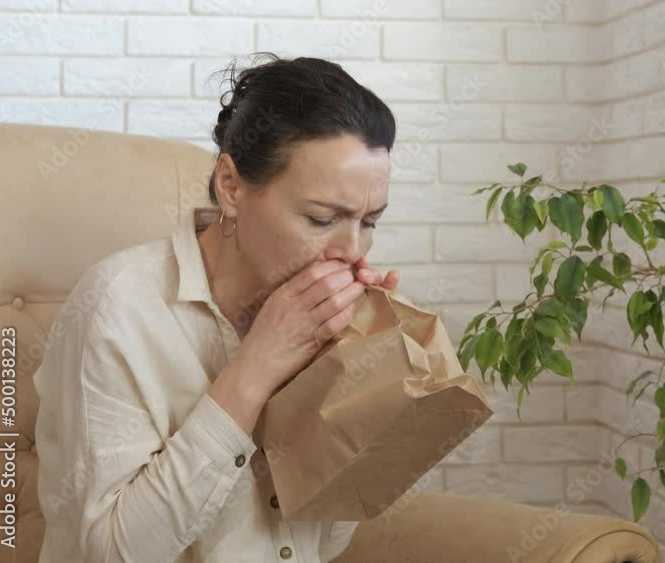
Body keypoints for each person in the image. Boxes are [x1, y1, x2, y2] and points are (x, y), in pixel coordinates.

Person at [32, 53, 401, 562]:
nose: (352, 250)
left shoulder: (321, 323)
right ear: (231, 186)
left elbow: (324, 542)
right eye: (321, 219)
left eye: (370, 222)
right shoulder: (115, 308)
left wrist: (348, 384)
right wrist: (255, 369)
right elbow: (110, 553)